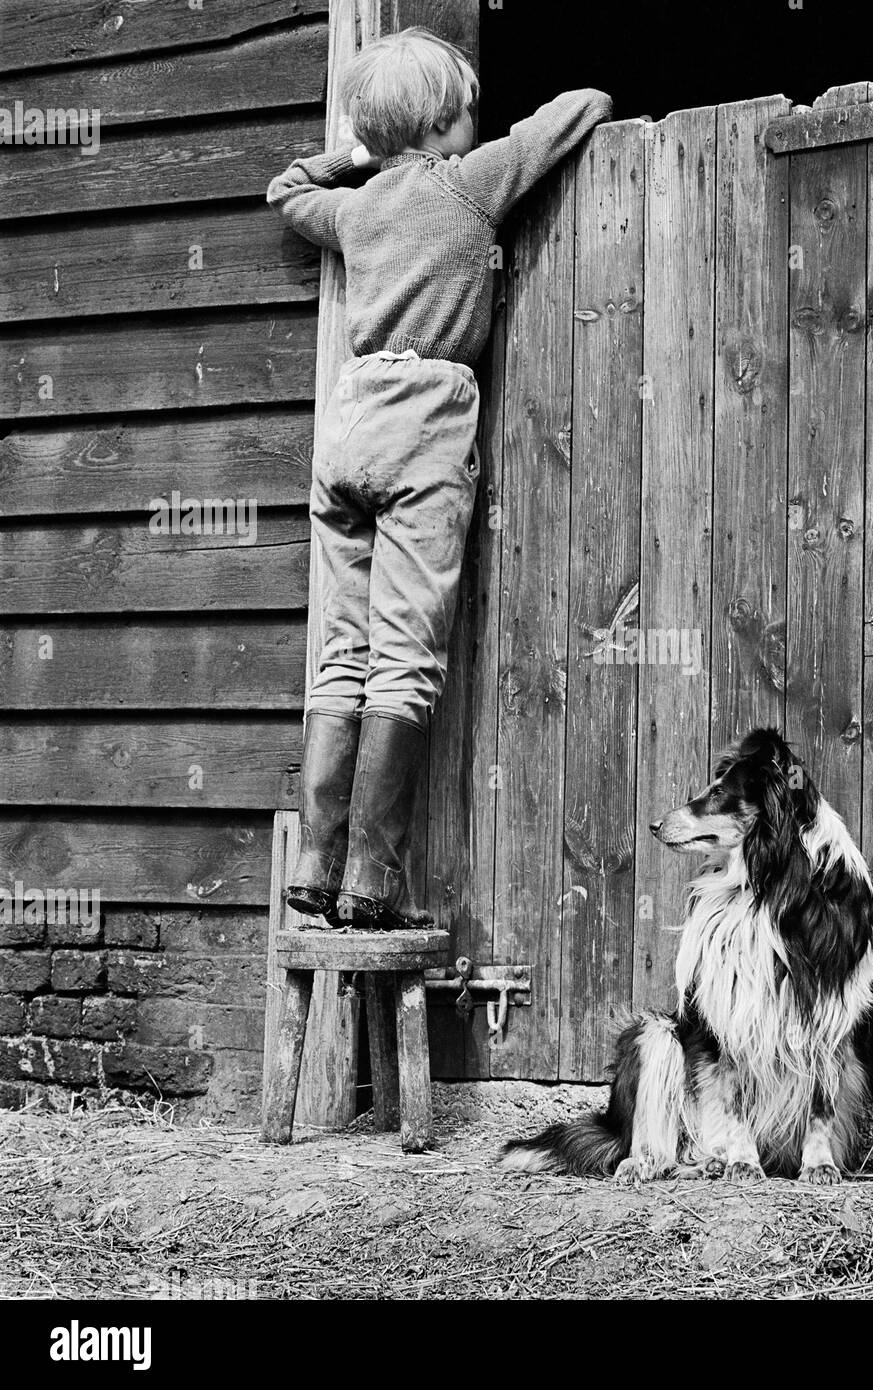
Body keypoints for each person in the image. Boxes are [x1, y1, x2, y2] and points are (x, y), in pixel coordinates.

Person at [267, 27, 612, 929]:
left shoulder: (358, 210)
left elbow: (286, 189)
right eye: (465, 105)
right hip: (422, 430)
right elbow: (579, 112)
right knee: (407, 660)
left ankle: (314, 861)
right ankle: (371, 879)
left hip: (349, 431)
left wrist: (358, 152)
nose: (476, 117)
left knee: (343, 651)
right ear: (445, 123)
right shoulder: (468, 185)